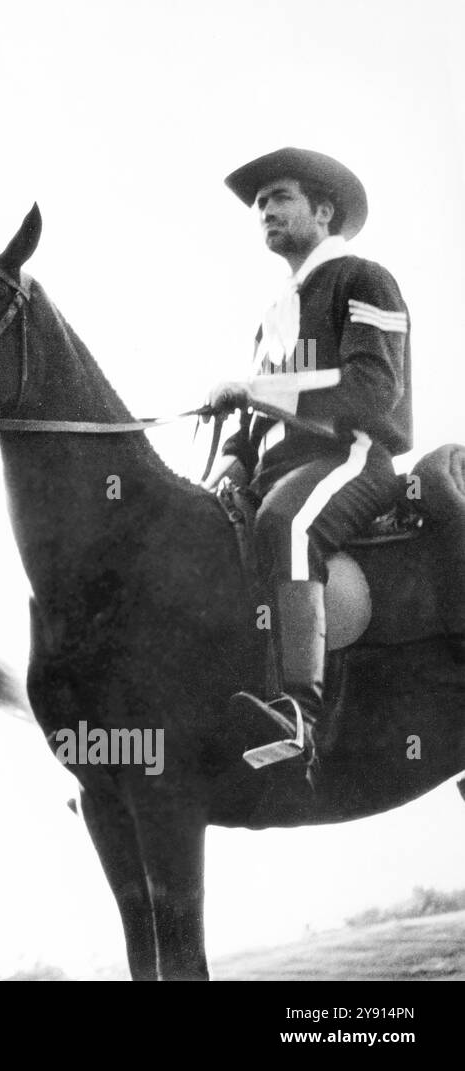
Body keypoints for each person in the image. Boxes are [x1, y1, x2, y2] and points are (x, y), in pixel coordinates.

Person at [203, 147, 411, 775]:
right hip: (276, 470)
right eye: (260, 203)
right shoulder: (269, 318)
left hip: (350, 457)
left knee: (287, 524)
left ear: (324, 211)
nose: (265, 209)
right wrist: (228, 466)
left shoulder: (362, 278)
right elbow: (255, 423)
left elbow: (374, 388)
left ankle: (300, 714)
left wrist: (257, 389)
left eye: (280, 197)